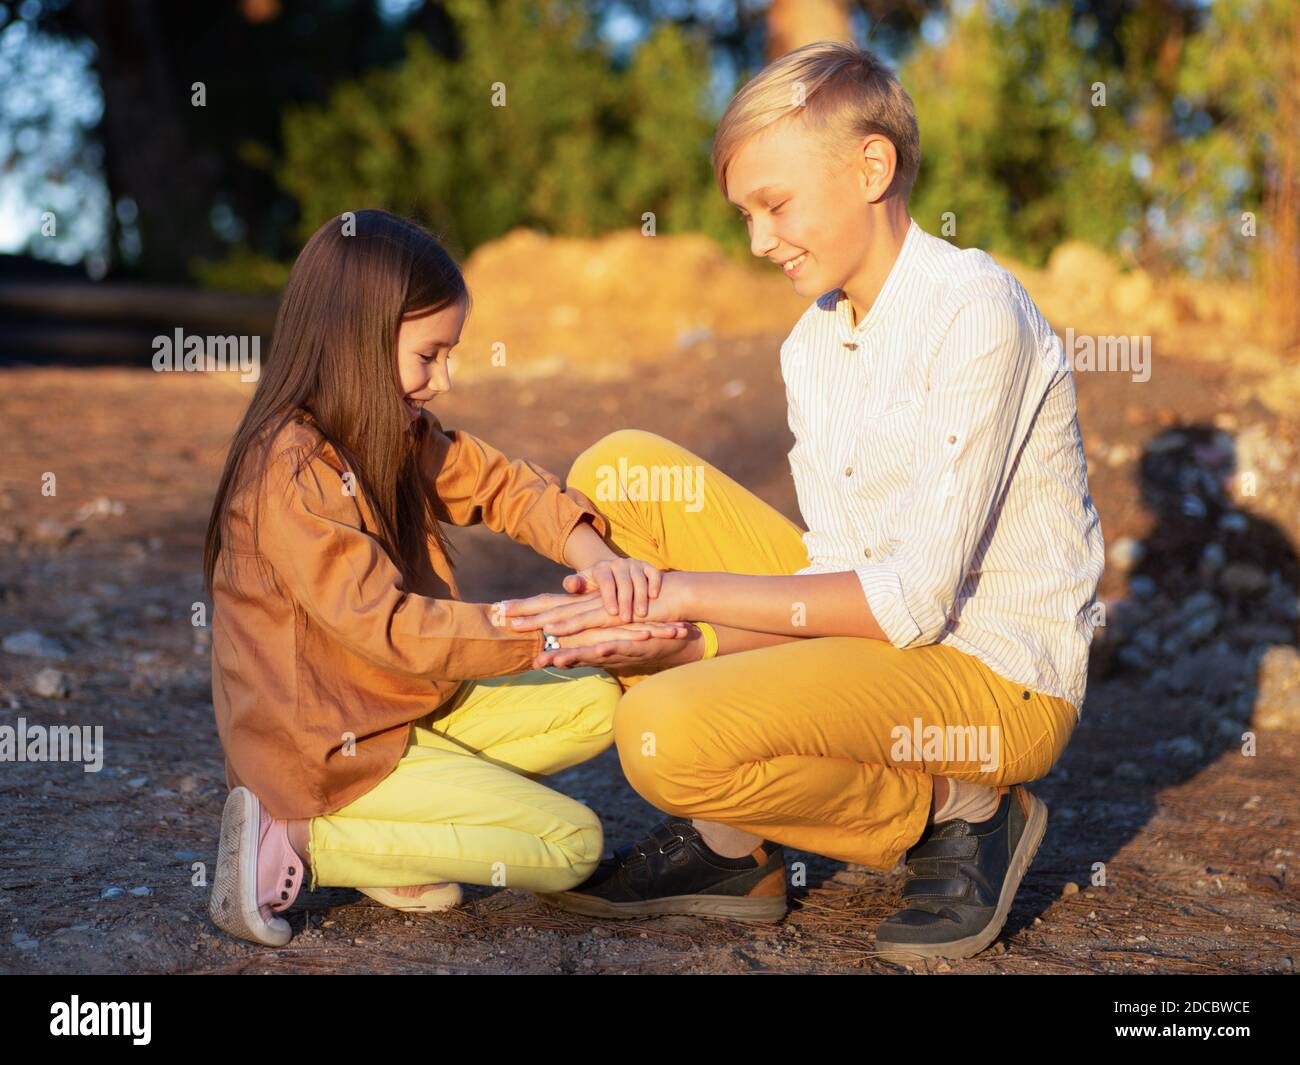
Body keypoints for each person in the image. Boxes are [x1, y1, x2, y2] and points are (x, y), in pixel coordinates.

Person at [505, 41, 1106, 960]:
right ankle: (732, 850)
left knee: (660, 735)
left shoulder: (977, 312)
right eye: (745, 213)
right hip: (877, 640)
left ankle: (965, 808)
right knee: (618, 474)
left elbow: (912, 600)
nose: (757, 241)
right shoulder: (811, 346)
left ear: (873, 166)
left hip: (993, 682)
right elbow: (832, 581)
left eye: (775, 205)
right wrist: (680, 638)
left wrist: (686, 599)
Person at [203, 208, 692, 947]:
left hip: (393, 704)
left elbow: (495, 483)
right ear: (357, 342)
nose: (445, 379)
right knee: (573, 846)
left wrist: (594, 553)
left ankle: (398, 828)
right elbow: (391, 627)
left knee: (598, 701)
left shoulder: (383, 429)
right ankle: (299, 836)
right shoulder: (292, 470)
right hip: (326, 754)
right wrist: (544, 624)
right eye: (430, 355)